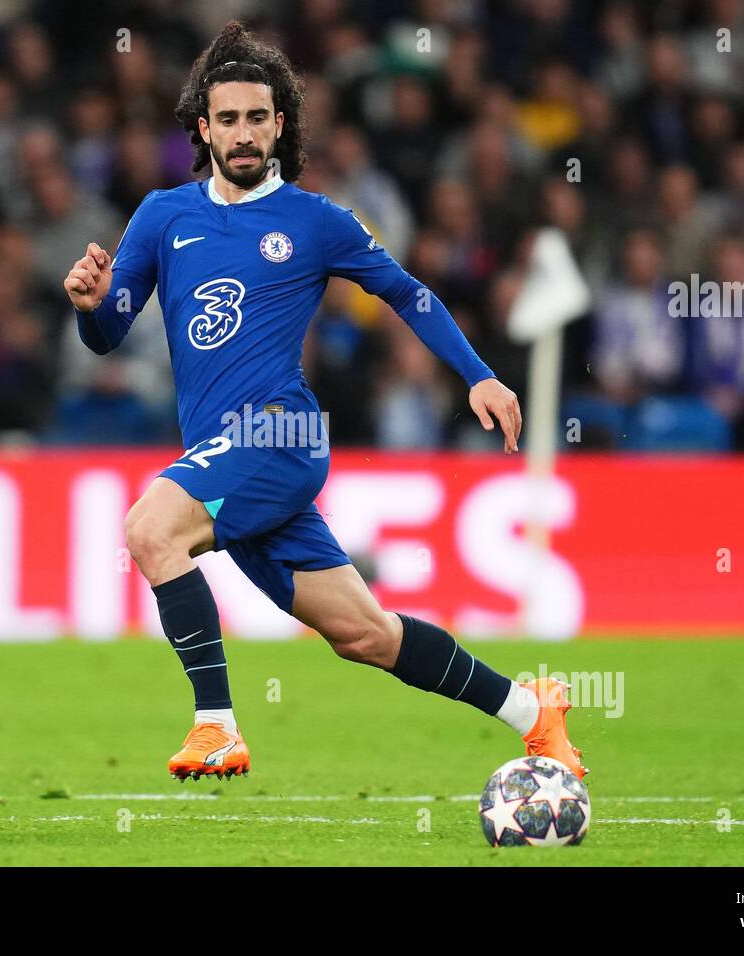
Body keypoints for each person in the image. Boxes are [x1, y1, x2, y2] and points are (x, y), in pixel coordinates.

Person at [62, 22, 584, 782]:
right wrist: (90, 303)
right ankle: (532, 713)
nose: (244, 134)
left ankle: (216, 727)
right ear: (203, 129)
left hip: (278, 433)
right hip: (225, 457)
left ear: (280, 124)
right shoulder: (161, 217)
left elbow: (406, 292)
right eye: (228, 119)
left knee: (149, 529)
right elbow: (109, 334)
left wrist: (478, 374)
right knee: (365, 635)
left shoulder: (315, 220)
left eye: (258, 118)